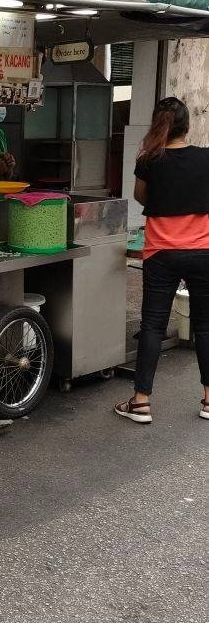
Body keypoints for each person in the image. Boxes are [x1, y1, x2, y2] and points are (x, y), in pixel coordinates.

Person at [115, 97, 209, 424]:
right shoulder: (206, 158)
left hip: (161, 253)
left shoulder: (149, 159)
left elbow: (141, 196)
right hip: (203, 252)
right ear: (188, 126)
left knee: (153, 325)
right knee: (206, 324)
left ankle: (141, 401)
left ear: (159, 124)